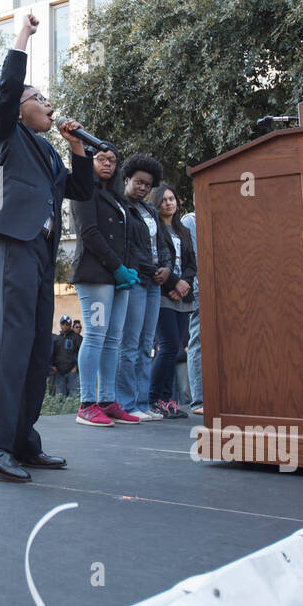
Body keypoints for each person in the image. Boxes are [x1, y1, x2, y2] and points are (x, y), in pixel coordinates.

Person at [0, 13, 92, 482]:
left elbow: (80, 190)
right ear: (19, 109)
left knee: (39, 348)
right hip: (14, 243)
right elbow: (7, 88)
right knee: (14, 343)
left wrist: (78, 146)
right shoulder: (6, 133)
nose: (48, 103)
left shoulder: (49, 153)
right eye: (39, 97)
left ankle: (22, 440)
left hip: (42, 252)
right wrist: (23, 37)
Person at [68, 146, 139, 428]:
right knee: (96, 335)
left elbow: (127, 238)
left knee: (114, 339)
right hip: (95, 274)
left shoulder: (117, 198)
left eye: (112, 160)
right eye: (100, 159)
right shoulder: (84, 190)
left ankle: (107, 401)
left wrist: (129, 269)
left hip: (118, 277)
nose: (107, 163)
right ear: (91, 161)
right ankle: (87, 404)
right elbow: (89, 232)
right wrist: (117, 267)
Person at [117, 154, 166, 422]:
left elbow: (162, 246)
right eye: (138, 182)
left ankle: (143, 402)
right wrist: (150, 269)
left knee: (147, 344)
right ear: (126, 179)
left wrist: (167, 270)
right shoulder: (121, 207)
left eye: (148, 185)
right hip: (136, 280)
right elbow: (128, 247)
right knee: (130, 344)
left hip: (155, 283)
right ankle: (126, 404)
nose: (143, 188)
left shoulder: (151, 211)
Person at [148, 183, 196, 419]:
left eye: (172, 198)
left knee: (175, 347)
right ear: (156, 203)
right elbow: (157, 262)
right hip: (163, 294)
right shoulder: (155, 230)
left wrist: (184, 283)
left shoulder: (183, 231)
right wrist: (174, 283)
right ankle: (155, 398)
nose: (169, 203)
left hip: (183, 297)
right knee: (166, 346)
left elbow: (191, 264)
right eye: (164, 200)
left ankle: (168, 401)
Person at [180, 208, 203, 414]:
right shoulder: (191, 221)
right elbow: (191, 258)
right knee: (197, 341)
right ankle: (199, 400)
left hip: (220, 292)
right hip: (198, 291)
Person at [49, 316, 81, 397]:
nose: (65, 326)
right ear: (60, 325)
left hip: (72, 371)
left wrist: (76, 367)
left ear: (70, 325)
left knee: (74, 395)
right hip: (59, 372)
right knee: (60, 396)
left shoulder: (76, 338)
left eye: (67, 324)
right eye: (63, 324)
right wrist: (52, 365)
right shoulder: (57, 339)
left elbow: (80, 353)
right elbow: (53, 353)